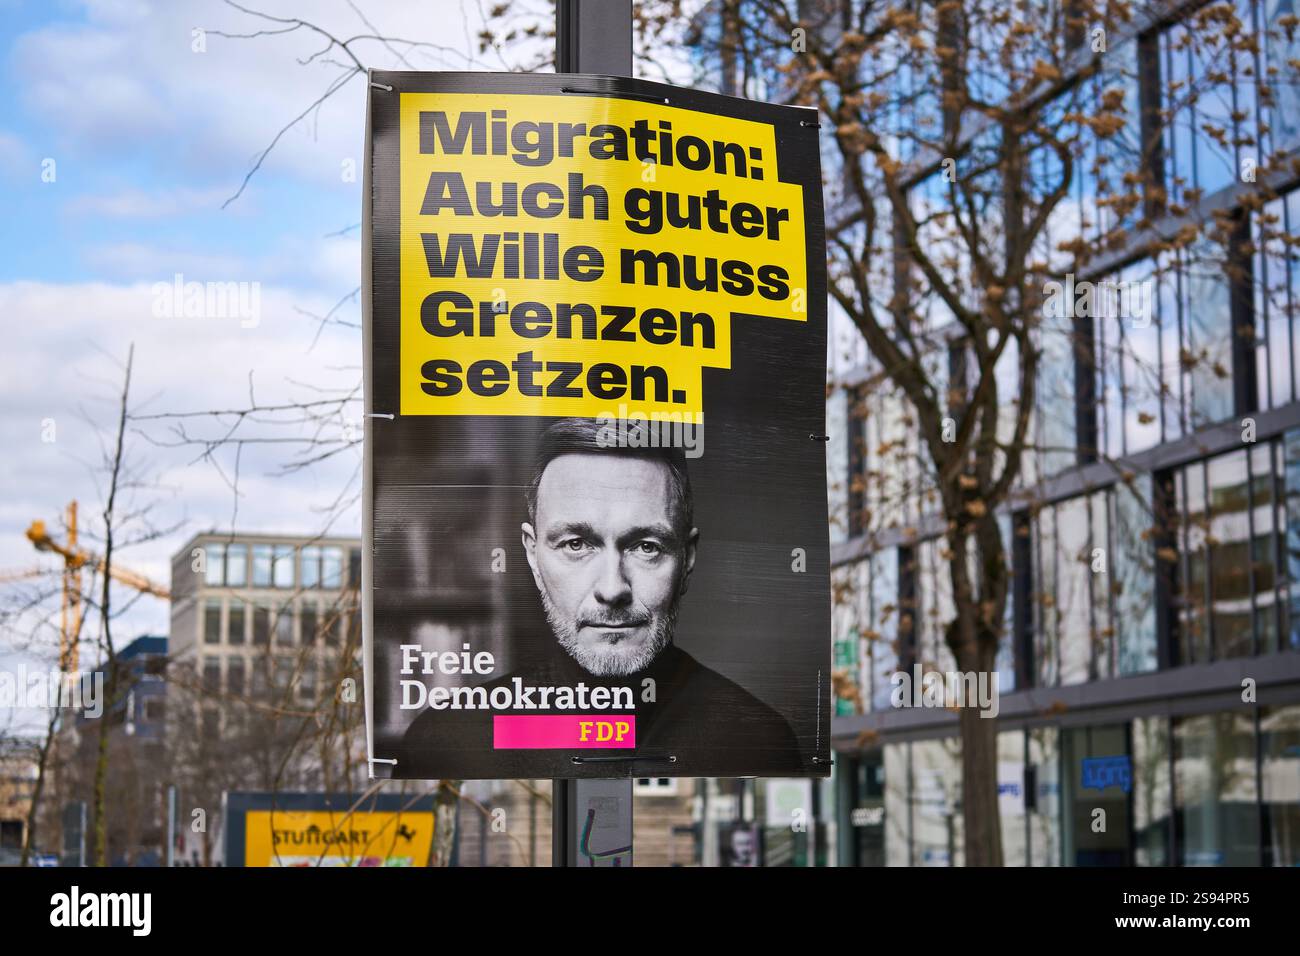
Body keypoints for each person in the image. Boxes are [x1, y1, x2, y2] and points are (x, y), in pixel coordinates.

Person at [394, 417, 798, 777]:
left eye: (646, 546)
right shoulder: (445, 741)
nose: (612, 589)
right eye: (575, 544)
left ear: (687, 558)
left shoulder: (757, 740)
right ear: (532, 554)